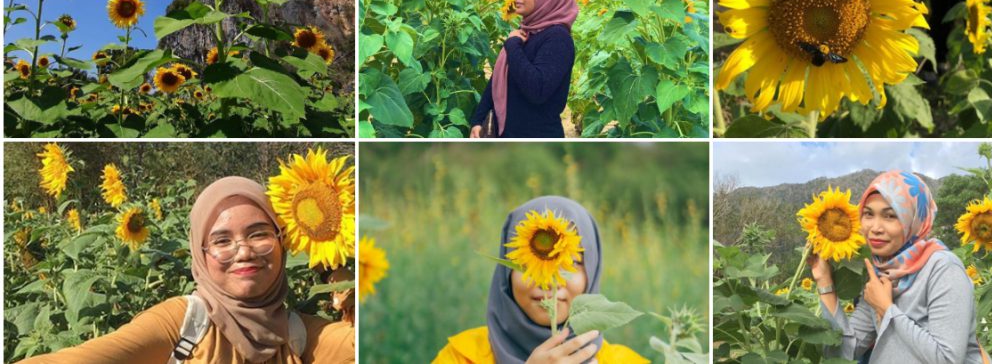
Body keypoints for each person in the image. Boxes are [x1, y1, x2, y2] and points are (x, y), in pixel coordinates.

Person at [18, 177, 354, 363]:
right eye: (222, 241)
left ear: (283, 242)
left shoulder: (302, 336)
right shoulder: (181, 325)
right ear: (200, 254)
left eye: (259, 234)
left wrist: (352, 274)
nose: (244, 252)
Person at [433, 196, 648, 363]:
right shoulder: (462, 357)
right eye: (526, 264)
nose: (548, 279)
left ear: (591, 273)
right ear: (505, 274)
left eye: (570, 262)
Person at [807, 170, 990, 363]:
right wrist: (824, 281)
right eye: (868, 214)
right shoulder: (880, 274)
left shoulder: (942, 268)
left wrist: (886, 309)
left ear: (913, 219)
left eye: (890, 216)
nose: (875, 228)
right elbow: (843, 353)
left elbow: (948, 359)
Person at [469, 0, 577, 138]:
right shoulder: (526, 32)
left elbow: (537, 89)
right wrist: (478, 119)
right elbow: (499, 79)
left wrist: (512, 46)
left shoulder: (558, 38)